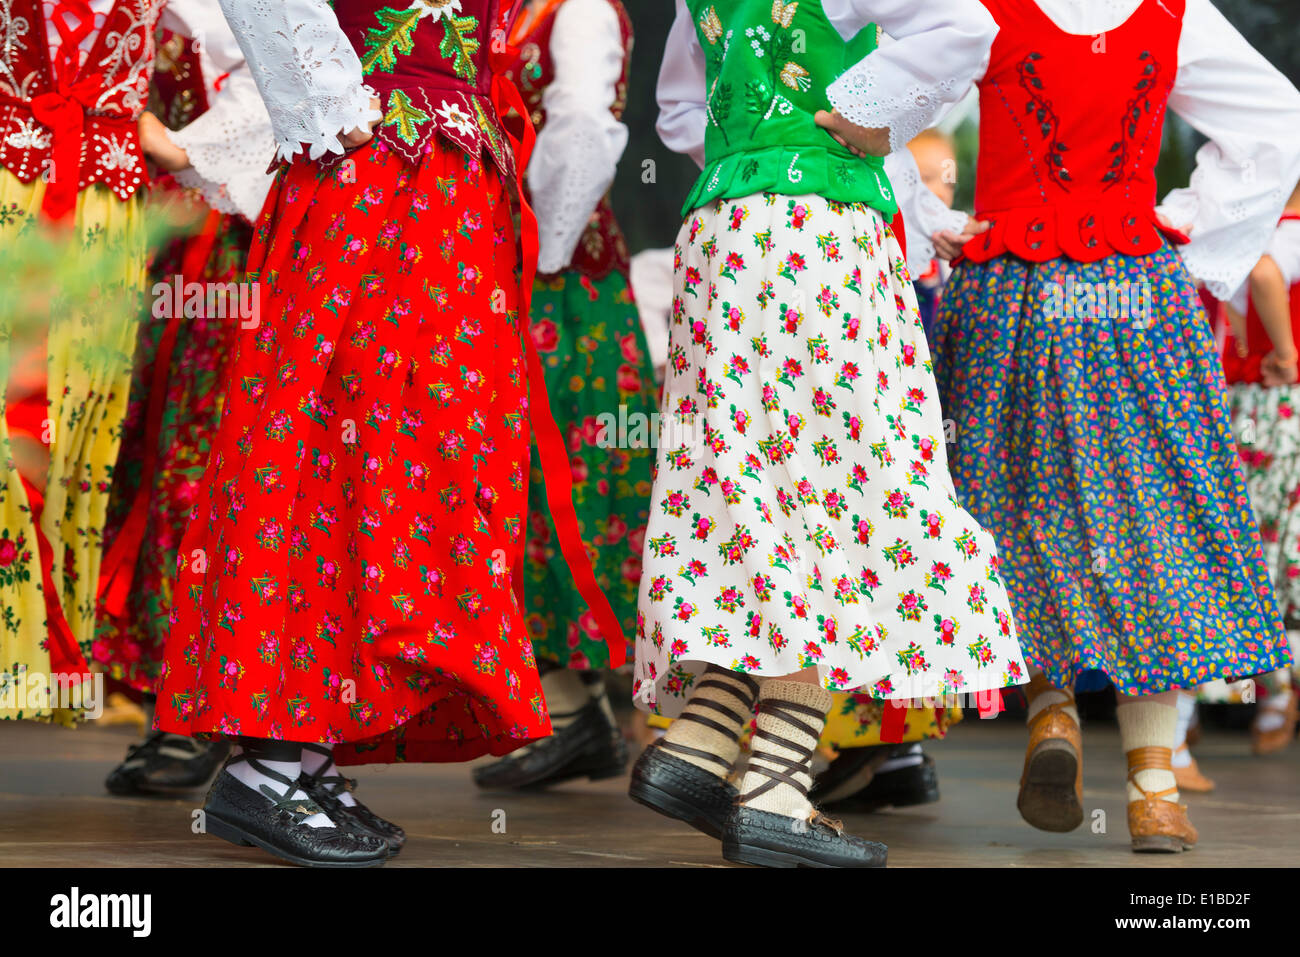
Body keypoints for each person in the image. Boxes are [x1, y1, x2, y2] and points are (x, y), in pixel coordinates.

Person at [153, 0, 623, 867]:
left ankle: (310, 745)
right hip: (372, 183)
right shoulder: (357, 127)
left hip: (445, 195)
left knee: (402, 470)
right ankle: (267, 758)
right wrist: (336, 111)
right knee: (326, 451)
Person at [631, 0, 1027, 868]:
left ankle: (702, 737)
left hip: (722, 232)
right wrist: (862, 113)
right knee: (848, 487)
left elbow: (676, 114)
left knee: (743, 480)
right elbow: (965, 27)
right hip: (821, 237)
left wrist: (765, 154)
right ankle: (775, 786)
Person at [925, 0, 1300, 852]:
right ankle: (1153, 785)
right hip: (1135, 291)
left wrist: (936, 222)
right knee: (1155, 519)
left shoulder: (984, 11)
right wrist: (1192, 227)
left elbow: (884, 112)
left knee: (1018, 507)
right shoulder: (1173, 12)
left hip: (1009, 288)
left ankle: (1052, 714)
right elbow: (1278, 119)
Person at [0, 0, 255, 723]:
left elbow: (263, 60)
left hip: (102, 217)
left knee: (75, 429)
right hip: (10, 192)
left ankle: (41, 657)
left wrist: (183, 147)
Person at [472, 0, 660, 791]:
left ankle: (587, 708)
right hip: (522, 272)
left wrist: (537, 243)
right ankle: (571, 705)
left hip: (558, 282)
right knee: (522, 488)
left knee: (558, 487)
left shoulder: (577, 9)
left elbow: (585, 129)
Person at [94, 7, 278, 795]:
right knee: (142, 457)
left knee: (198, 465)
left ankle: (207, 704)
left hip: (224, 250)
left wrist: (166, 144)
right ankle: (171, 700)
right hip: (146, 241)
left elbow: (278, 86)